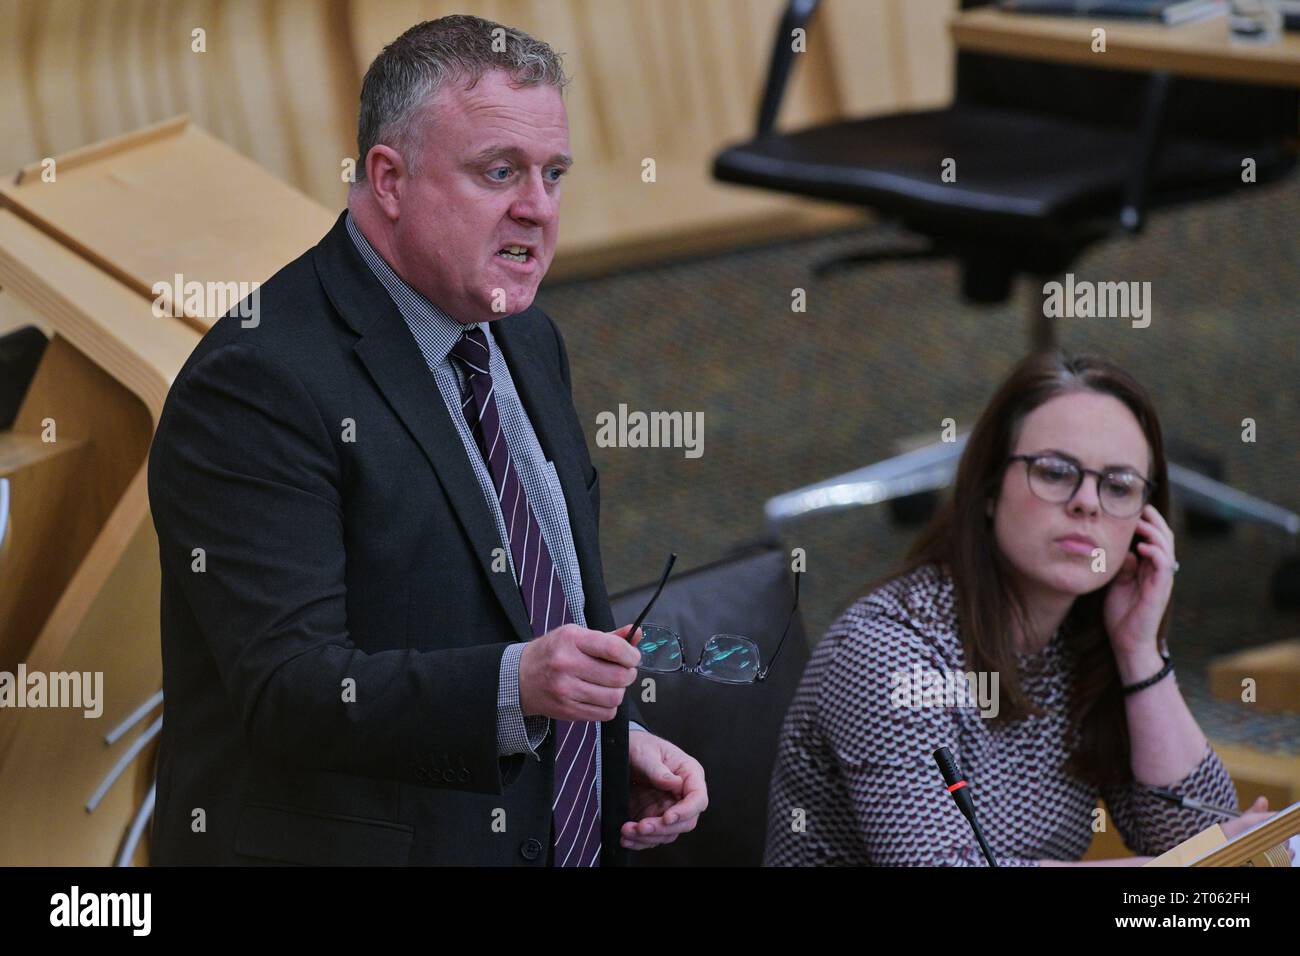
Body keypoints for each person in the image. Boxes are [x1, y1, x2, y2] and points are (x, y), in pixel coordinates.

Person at [148, 15, 705, 866]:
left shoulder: (523, 334)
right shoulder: (259, 381)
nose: (539, 208)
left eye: (554, 173)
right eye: (500, 172)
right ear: (390, 178)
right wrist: (519, 688)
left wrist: (599, 741)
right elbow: (291, 690)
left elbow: (517, 606)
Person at [764, 351, 1281, 866]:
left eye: (1119, 486)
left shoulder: (1089, 634)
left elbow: (1195, 837)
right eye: (1056, 473)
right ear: (989, 488)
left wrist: (1140, 652)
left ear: (1146, 522)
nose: (1087, 502)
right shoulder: (887, 650)